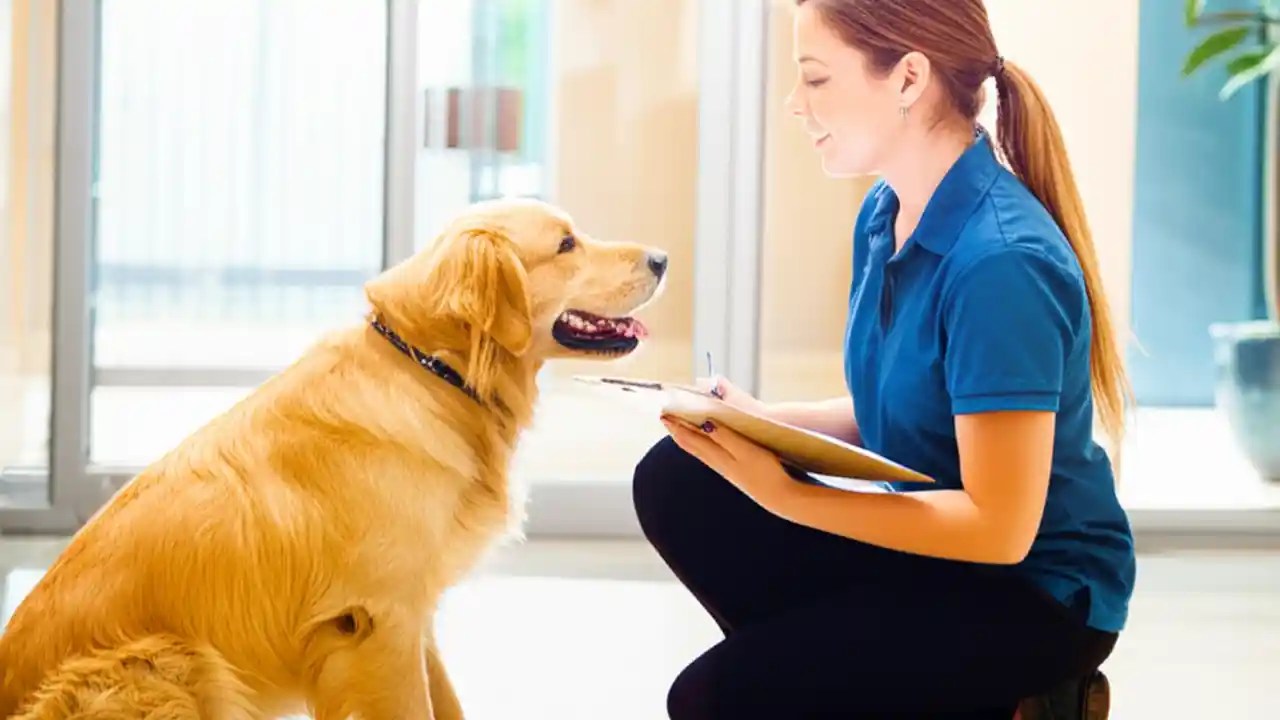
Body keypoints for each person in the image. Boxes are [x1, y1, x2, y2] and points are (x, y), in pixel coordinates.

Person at [631, 1, 1136, 718]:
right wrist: (758, 420)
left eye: (815, 79)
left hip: (1030, 593)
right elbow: (905, 412)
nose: (794, 104)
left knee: (717, 699)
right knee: (680, 479)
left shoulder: (1002, 265)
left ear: (908, 79)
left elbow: (1000, 528)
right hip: (945, 553)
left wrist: (789, 493)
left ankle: (1018, 698)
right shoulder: (887, 212)